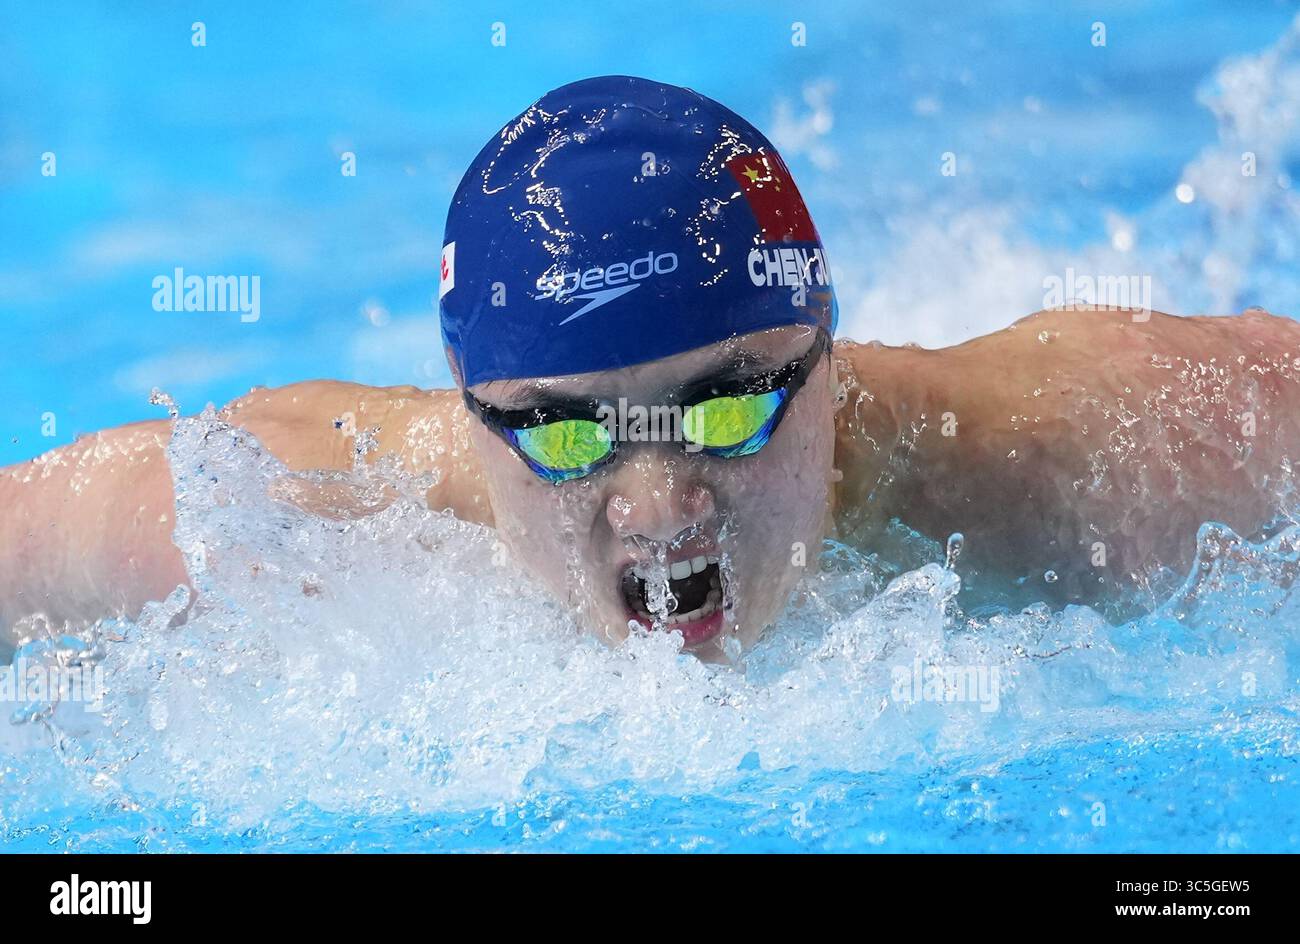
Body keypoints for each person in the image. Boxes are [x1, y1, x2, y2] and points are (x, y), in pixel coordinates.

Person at [3, 75, 1299, 662]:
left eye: (728, 408)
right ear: (471, 419)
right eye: (571, 437)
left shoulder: (1104, 463)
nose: (663, 506)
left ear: (827, 360)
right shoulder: (281, 519)